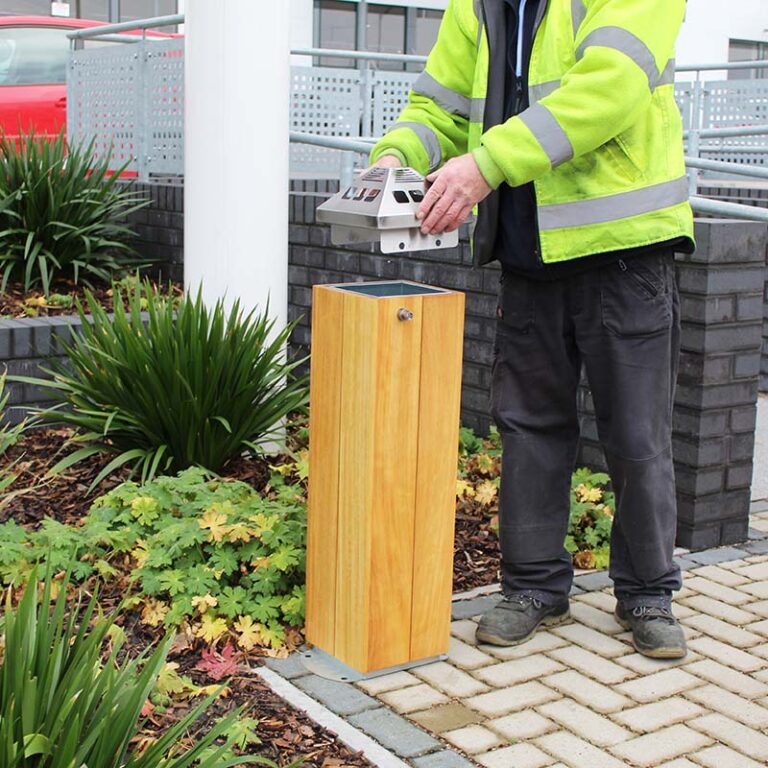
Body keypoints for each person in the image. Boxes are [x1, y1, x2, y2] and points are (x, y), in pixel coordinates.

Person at [370, 0, 694, 659]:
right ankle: (534, 588)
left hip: (622, 247)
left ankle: (648, 595)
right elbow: (440, 108)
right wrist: (393, 159)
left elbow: (611, 88)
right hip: (527, 249)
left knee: (636, 437)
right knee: (529, 429)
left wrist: (487, 163)